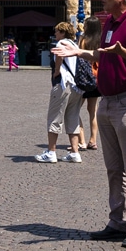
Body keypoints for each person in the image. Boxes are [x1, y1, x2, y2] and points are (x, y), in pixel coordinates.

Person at [55, 0, 126, 247]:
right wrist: (77, 52)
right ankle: (118, 222)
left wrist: (123, 52)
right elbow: (103, 54)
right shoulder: (109, 22)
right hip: (107, 102)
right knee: (113, 168)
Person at [35, 22, 85, 163]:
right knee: (73, 117)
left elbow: (59, 57)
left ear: (63, 33)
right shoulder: (74, 45)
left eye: (57, 31)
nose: (55, 34)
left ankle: (51, 151)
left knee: (54, 117)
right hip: (76, 86)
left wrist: (56, 71)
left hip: (64, 84)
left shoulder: (61, 43)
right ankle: (75, 152)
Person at [78, 16, 102, 150]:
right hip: (97, 77)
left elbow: (80, 55)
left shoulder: (83, 39)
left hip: (85, 77)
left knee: (74, 109)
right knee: (92, 111)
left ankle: (81, 140)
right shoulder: (100, 40)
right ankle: (93, 140)